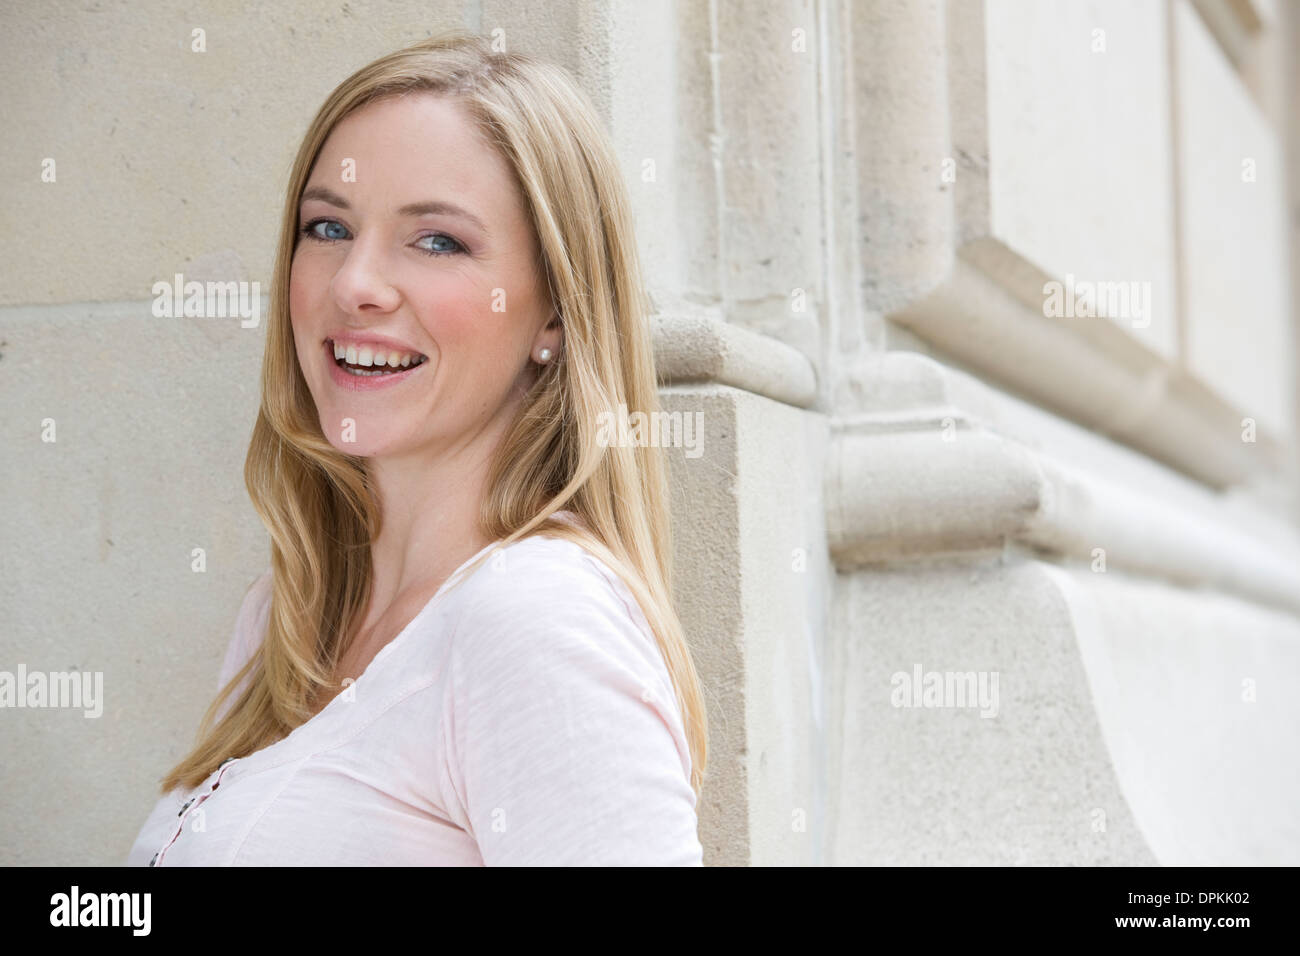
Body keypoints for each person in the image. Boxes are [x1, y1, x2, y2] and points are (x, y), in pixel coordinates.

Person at [124, 30, 708, 866]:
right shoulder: (286, 618)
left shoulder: (536, 619)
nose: (355, 283)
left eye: (437, 241)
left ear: (553, 313)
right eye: (327, 228)